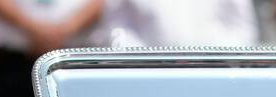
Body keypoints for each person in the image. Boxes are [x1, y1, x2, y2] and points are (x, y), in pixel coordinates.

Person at [94, 0, 258, 47]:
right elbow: (117, 26)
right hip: (150, 79)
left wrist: (218, 62)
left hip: (214, 77)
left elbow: (242, 28)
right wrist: (141, 62)